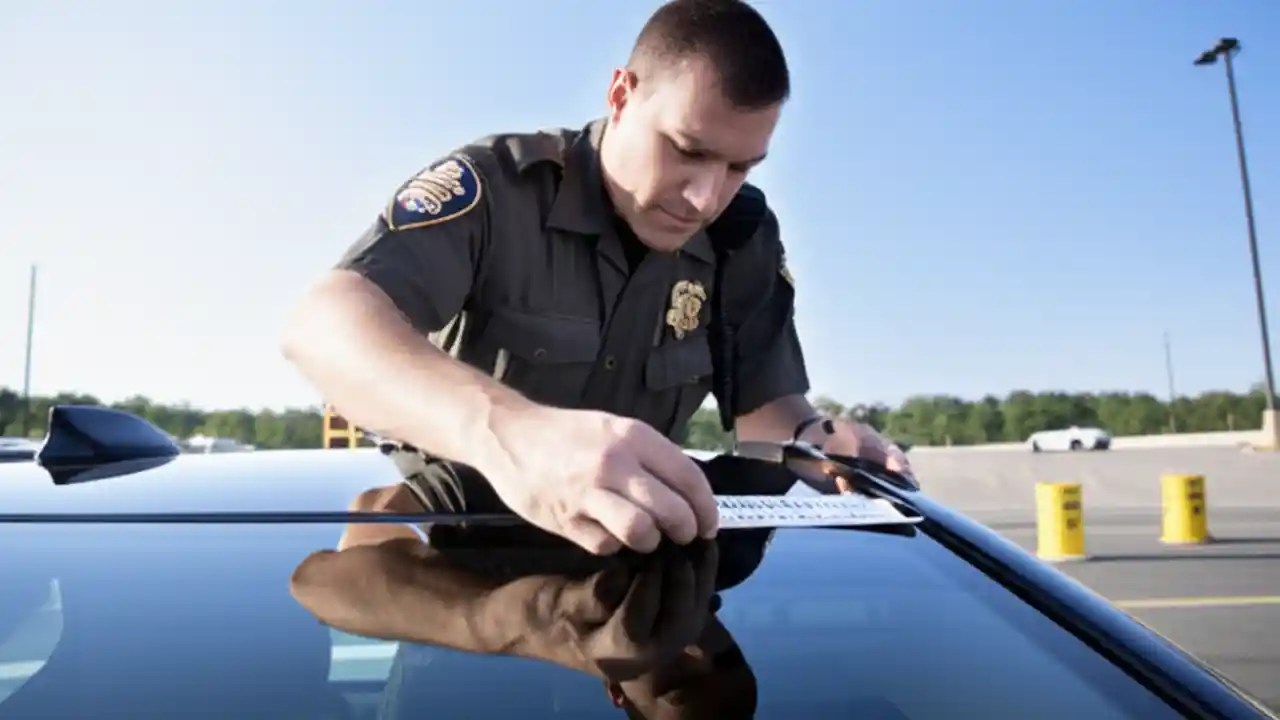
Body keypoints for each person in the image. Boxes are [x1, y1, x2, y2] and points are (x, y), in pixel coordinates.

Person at [280, 0, 913, 556]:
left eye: (740, 167)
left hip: (637, 590)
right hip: (456, 576)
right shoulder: (504, 188)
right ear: (621, 95)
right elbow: (324, 324)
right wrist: (515, 433)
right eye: (687, 151)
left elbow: (769, 414)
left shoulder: (740, 236)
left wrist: (818, 444)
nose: (704, 197)